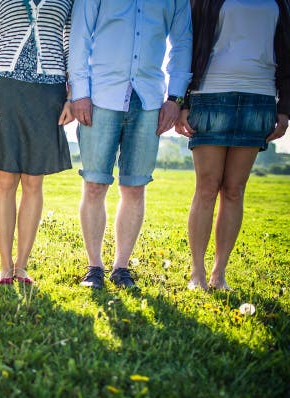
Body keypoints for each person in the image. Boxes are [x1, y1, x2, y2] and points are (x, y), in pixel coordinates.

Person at [69, 0, 192, 290]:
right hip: (100, 95)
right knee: (95, 184)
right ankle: (94, 267)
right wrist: (79, 93)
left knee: (135, 187)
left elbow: (183, 42)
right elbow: (80, 36)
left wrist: (175, 98)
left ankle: (121, 268)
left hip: (149, 99)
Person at [175, 0, 290, 291]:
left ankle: (219, 273)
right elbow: (189, 42)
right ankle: (197, 273)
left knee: (235, 189)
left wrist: (285, 108)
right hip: (210, 93)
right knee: (207, 186)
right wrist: (183, 101)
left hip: (259, 97)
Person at [0, 0, 74, 285]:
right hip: (4, 87)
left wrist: (71, 94)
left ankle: (22, 266)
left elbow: (70, 41)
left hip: (49, 93)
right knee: (6, 180)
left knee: (33, 181)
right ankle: (5, 266)